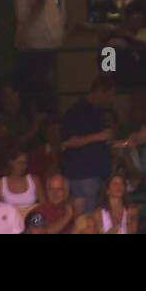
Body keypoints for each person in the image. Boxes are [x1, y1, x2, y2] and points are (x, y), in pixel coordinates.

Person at [11, 0, 64, 112]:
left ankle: (46, 120)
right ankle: (43, 120)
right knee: (36, 81)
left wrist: (25, 25)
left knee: (37, 82)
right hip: (41, 36)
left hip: (41, 37)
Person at [62, 75, 116, 212]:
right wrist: (97, 136)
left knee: (99, 213)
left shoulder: (100, 112)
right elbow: (67, 142)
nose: (110, 100)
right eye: (108, 96)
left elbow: (104, 141)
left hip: (100, 172)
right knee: (87, 215)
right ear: (99, 91)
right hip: (84, 173)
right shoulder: (76, 112)